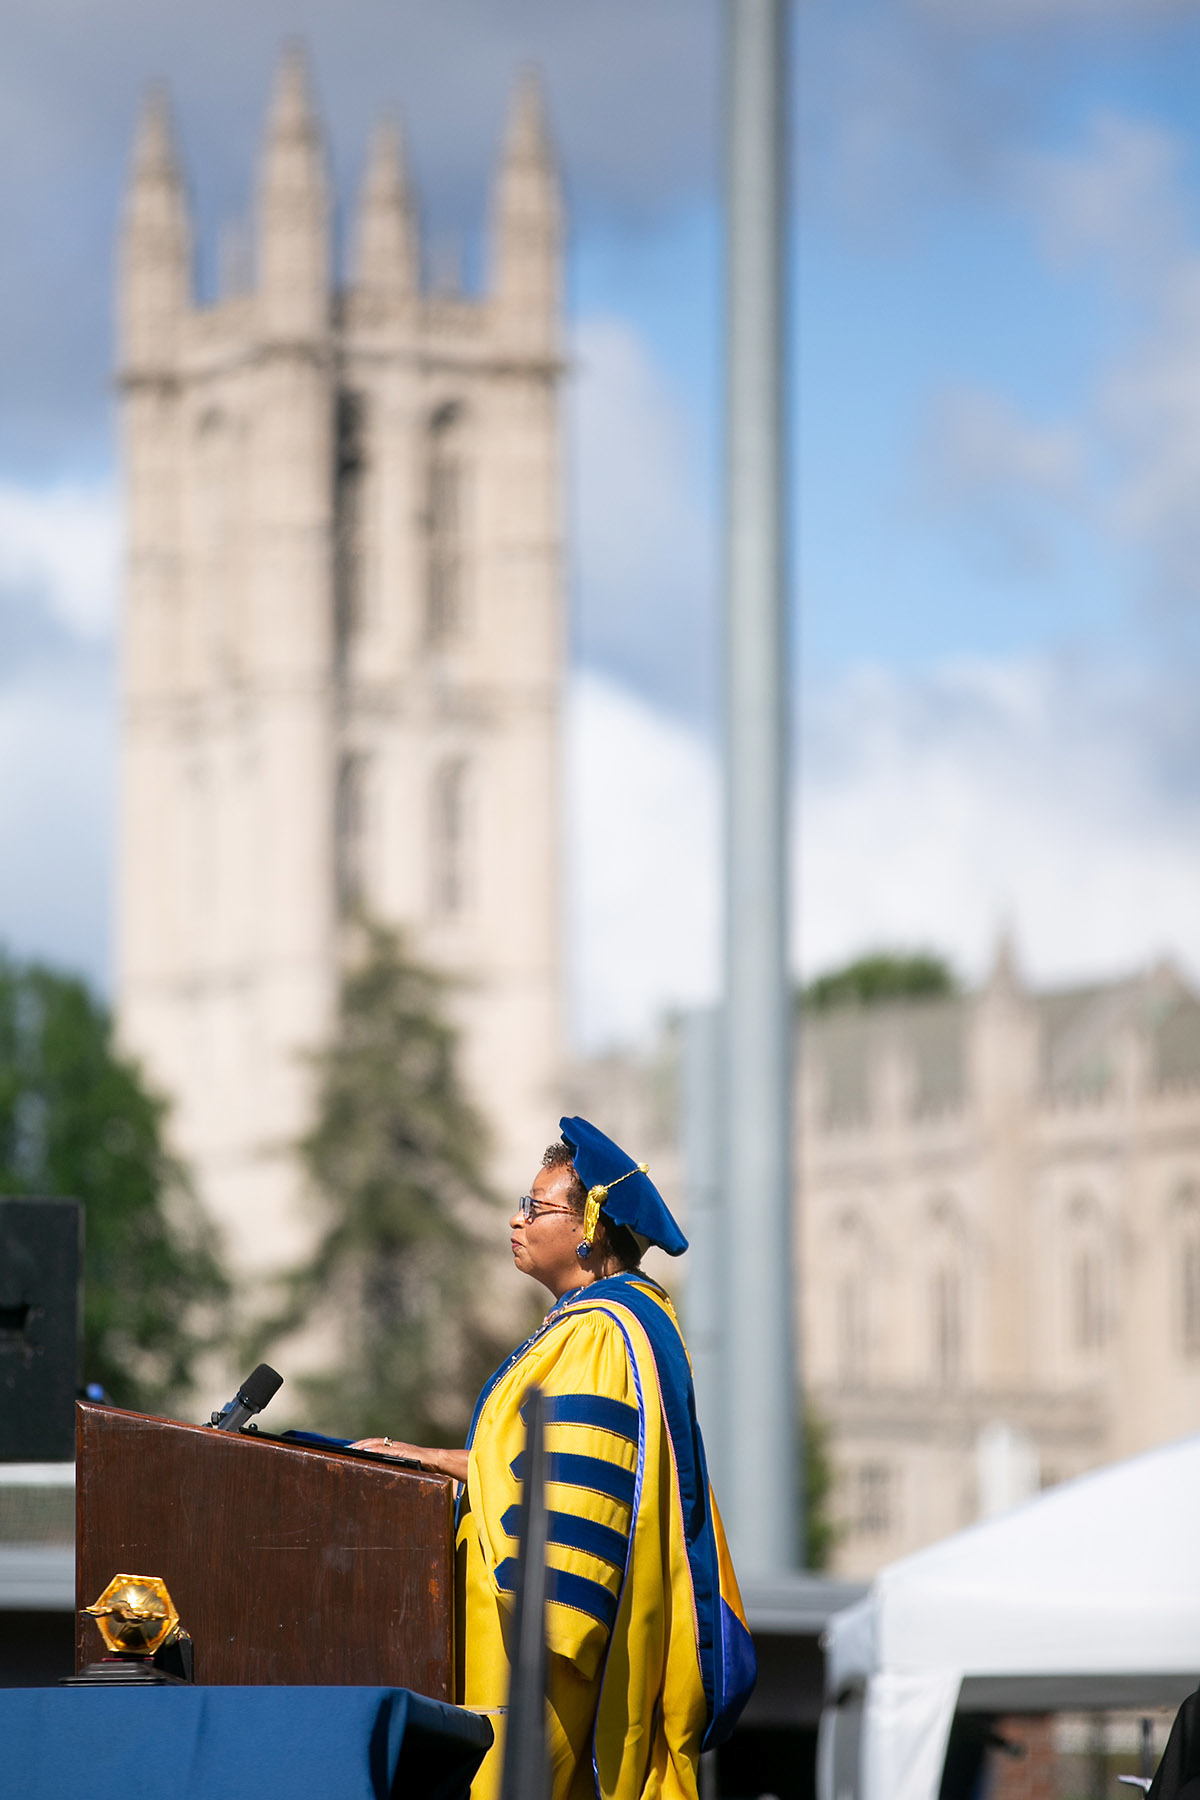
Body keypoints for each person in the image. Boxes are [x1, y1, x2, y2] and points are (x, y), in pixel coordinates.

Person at [354, 1115, 756, 1800]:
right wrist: (434, 1461)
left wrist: (550, 1644)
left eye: (535, 1207)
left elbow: (569, 1536)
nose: (515, 1221)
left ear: (590, 1228)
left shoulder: (601, 1333)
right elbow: (537, 1463)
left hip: (543, 1671)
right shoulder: (607, 1324)